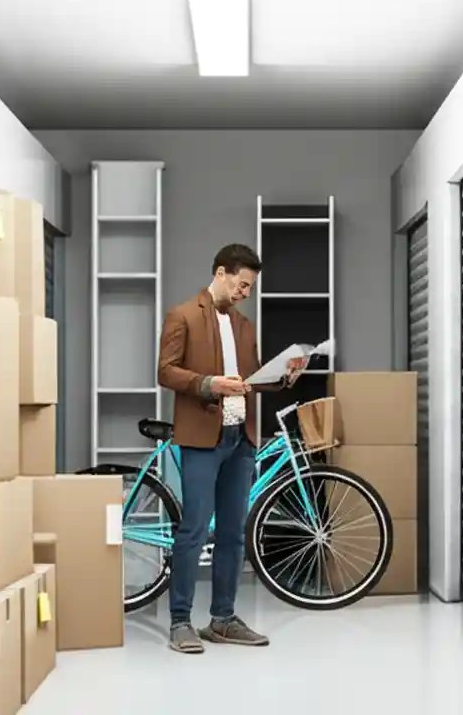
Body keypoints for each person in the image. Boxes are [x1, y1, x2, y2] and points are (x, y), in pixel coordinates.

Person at [156, 242, 299, 654]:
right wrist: (208, 384)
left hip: (241, 439)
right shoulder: (182, 315)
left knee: (234, 534)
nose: (245, 293)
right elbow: (166, 371)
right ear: (221, 273)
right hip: (202, 437)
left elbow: (251, 379)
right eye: (242, 284)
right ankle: (180, 621)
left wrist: (284, 377)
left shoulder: (244, 325)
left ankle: (222, 620)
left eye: (250, 288)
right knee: (194, 530)